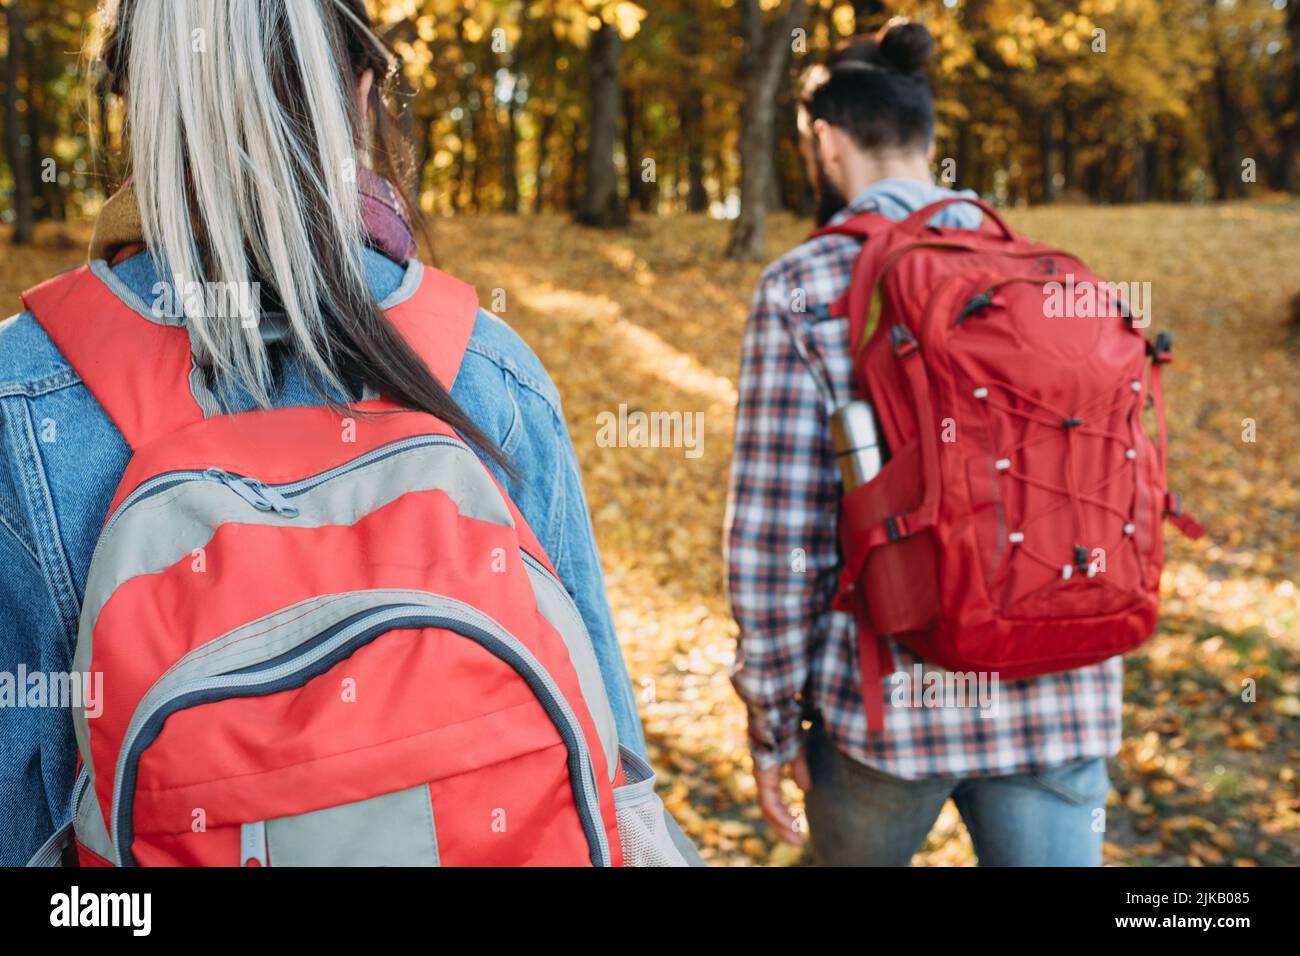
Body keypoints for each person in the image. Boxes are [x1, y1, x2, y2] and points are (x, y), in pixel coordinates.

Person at [0, 0, 644, 866]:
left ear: (131, 101)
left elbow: (19, 808)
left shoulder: (25, 395)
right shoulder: (487, 371)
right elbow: (613, 771)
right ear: (364, 84)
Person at [724, 19, 1115, 866]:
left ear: (826, 141)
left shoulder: (804, 285)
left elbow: (776, 542)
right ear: (928, 141)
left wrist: (770, 722)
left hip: (892, 703)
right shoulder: (1046, 271)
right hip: (1060, 685)